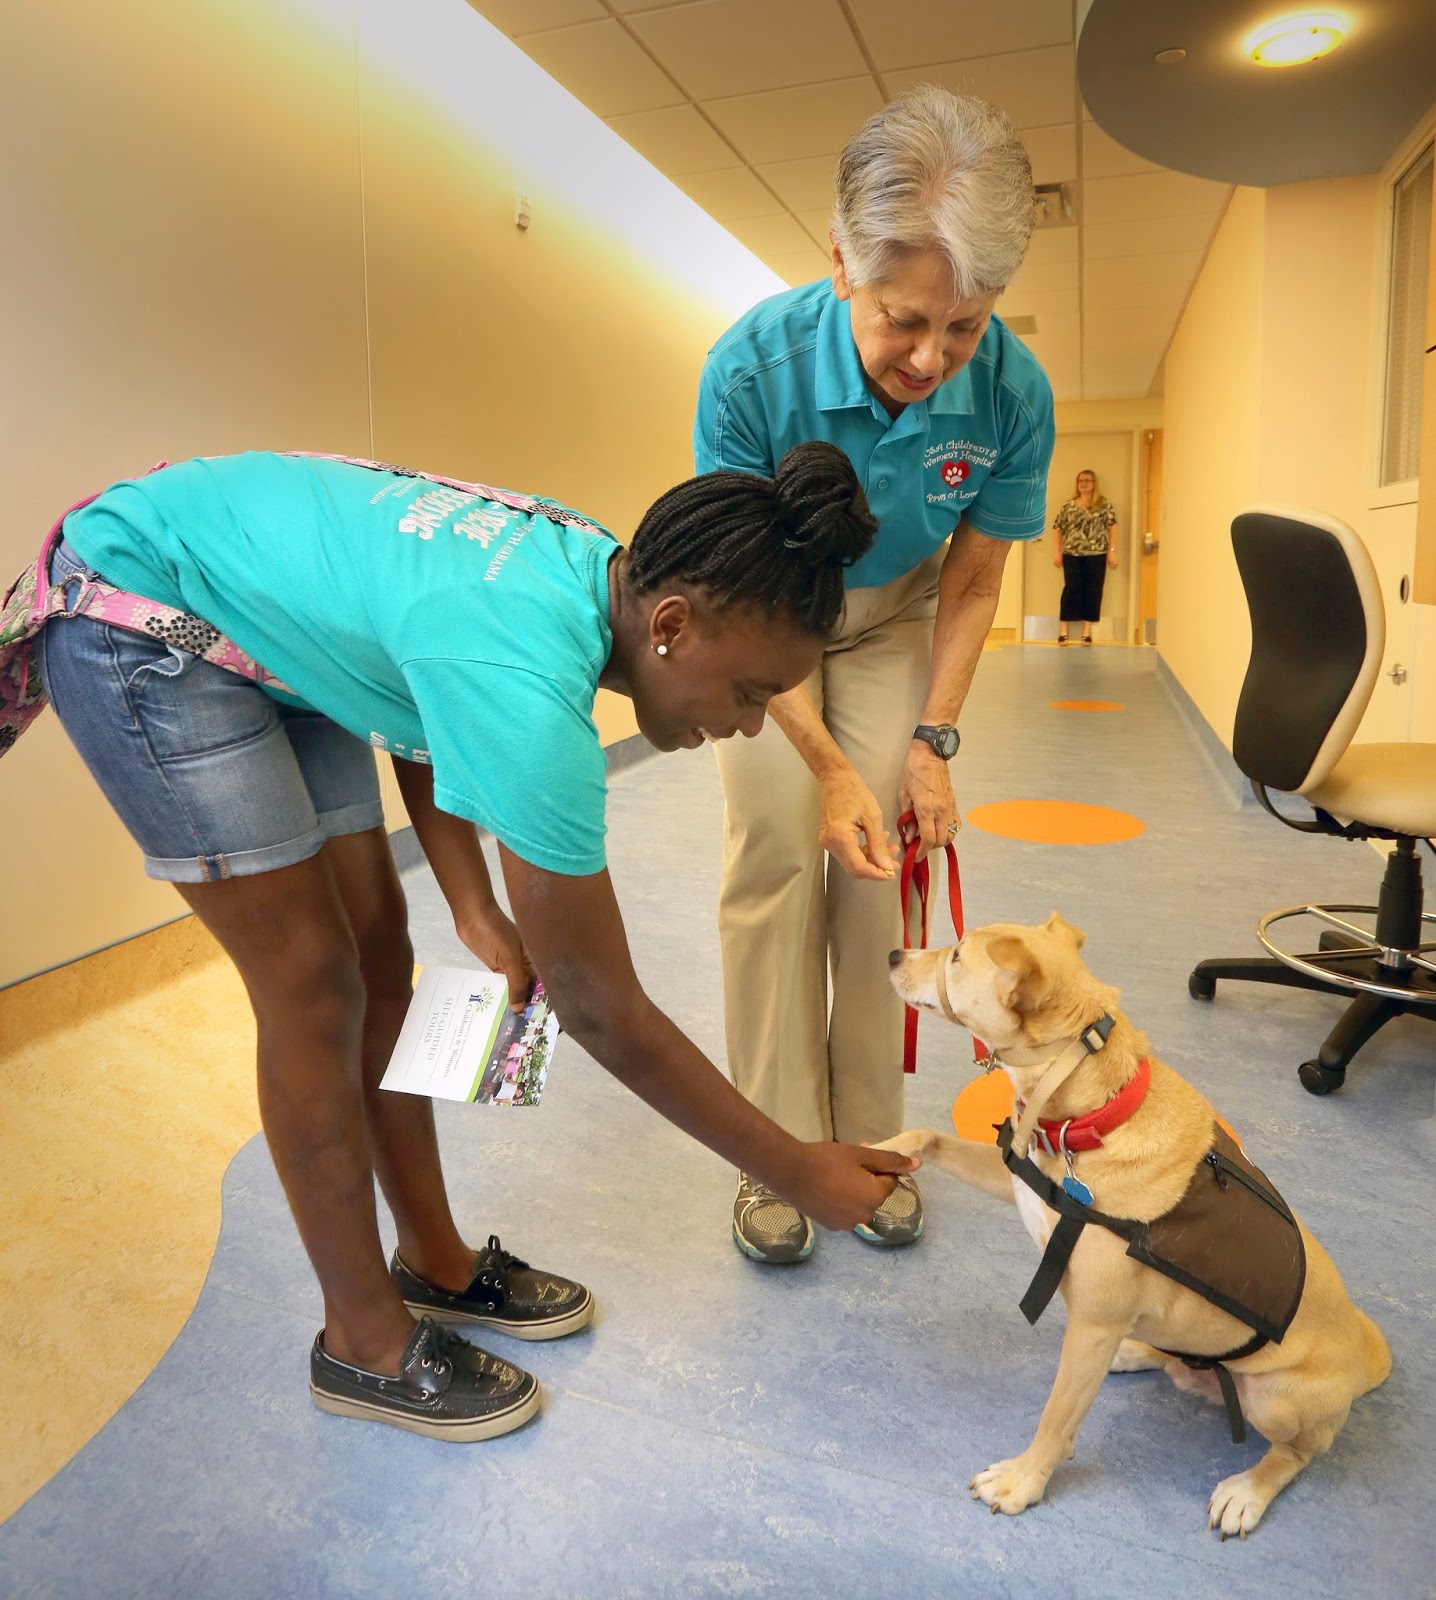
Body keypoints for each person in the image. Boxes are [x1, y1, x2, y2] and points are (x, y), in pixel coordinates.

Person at [28, 442, 914, 1440]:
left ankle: (435, 1264)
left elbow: (421, 688)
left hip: (257, 614)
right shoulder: (528, 684)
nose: (750, 725)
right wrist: (795, 1168)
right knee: (313, 985)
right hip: (141, 610)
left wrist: (471, 903)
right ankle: (360, 1341)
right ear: (670, 625)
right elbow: (597, 1004)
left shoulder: (595, 567)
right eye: (752, 692)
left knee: (378, 952)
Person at [694, 86, 1055, 1265]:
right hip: (767, 613)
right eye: (903, 321)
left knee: (876, 870)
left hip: (898, 609)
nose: (930, 358)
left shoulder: (1012, 392)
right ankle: (774, 1148)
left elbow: (973, 577)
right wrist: (825, 765)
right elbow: (735, 596)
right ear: (839, 259)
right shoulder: (750, 372)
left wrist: (927, 742)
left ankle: (866, 1139)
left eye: (963, 327)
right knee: (773, 851)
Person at [1051, 468, 1119, 645]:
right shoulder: (1068, 506)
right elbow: (1058, 528)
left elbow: (1112, 526)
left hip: (1097, 554)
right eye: (1080, 481)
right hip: (1071, 554)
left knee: (1093, 591)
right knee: (1071, 589)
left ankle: (1086, 631)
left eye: (1087, 480)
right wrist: (1057, 552)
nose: (1084, 484)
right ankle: (1063, 630)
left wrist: (1112, 551)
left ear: (1094, 483)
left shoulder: (1103, 505)